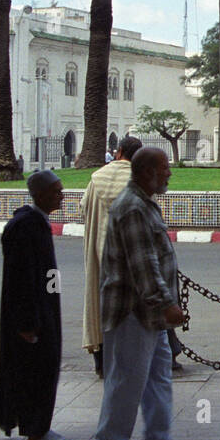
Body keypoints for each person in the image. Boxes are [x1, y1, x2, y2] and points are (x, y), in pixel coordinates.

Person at [94, 148, 193, 440]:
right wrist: (166, 304)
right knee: (126, 383)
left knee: (157, 378)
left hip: (150, 316)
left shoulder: (144, 203)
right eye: (164, 168)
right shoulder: (133, 208)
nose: (169, 173)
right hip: (132, 313)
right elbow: (144, 265)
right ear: (149, 172)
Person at [0, 171, 71, 440]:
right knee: (39, 371)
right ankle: (36, 430)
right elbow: (20, 278)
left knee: (26, 370)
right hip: (32, 315)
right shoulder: (25, 226)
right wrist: (27, 322)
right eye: (56, 191)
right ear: (40, 194)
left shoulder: (35, 223)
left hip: (42, 309)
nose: (61, 196)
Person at [83, 135, 143, 377]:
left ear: (118, 152)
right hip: (130, 255)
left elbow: (84, 207)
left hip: (100, 252)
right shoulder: (139, 180)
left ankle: (101, 361)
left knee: (99, 303)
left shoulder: (97, 178)